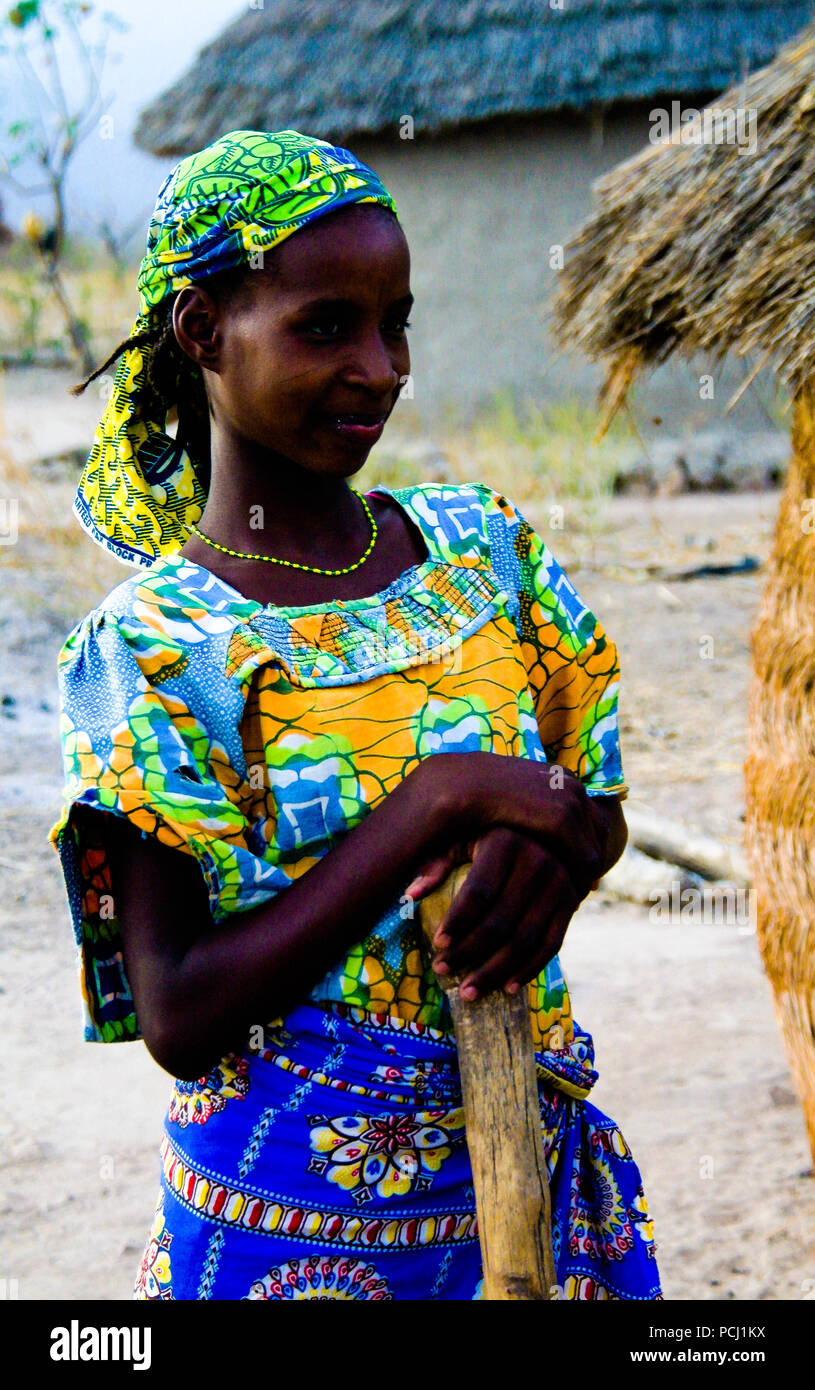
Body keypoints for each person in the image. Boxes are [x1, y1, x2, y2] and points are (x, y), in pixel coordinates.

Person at [48, 129, 661, 1302]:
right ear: (200, 332)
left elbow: (591, 801)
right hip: (289, 1229)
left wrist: (555, 849)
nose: (379, 367)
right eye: (325, 326)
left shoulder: (484, 553)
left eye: (397, 323)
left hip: (526, 1194)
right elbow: (179, 1007)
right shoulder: (153, 649)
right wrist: (435, 800)